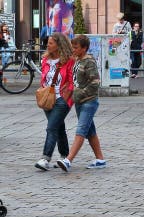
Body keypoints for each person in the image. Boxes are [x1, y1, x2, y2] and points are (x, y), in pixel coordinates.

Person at [56, 35, 106, 172]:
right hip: (79, 102)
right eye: (73, 46)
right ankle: (100, 159)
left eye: (76, 47)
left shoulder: (89, 62)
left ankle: (68, 160)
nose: (73, 49)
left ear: (84, 48)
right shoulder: (77, 60)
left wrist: (81, 93)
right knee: (90, 132)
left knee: (81, 130)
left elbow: (95, 83)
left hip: (89, 102)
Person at [35, 33, 75, 171]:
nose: (48, 45)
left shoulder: (69, 60)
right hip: (48, 98)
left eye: (51, 43)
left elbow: (72, 80)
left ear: (59, 45)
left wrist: (67, 95)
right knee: (59, 127)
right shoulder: (45, 59)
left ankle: (45, 158)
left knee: (51, 127)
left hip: (62, 99)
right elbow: (44, 78)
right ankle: (65, 156)